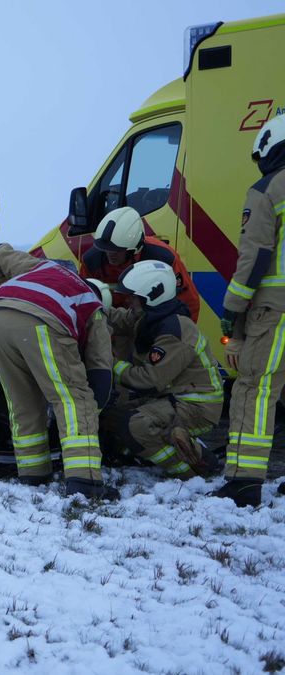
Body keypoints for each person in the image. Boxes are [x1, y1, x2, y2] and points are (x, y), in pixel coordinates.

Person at [0, 243, 115, 498]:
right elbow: (101, 372)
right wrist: (93, 407)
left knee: (22, 401)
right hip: (42, 317)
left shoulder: (45, 267)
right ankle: (85, 482)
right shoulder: (94, 309)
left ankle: (33, 473)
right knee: (73, 398)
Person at [214, 115, 285, 507]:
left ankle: (244, 481)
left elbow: (255, 256)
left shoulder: (267, 189)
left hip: (276, 311)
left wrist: (232, 308)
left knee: (254, 389)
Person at [100, 260, 223, 478]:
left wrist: (108, 362)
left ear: (151, 295)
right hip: (173, 398)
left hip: (197, 406)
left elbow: (148, 379)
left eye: (132, 296)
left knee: (136, 424)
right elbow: (121, 319)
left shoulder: (173, 332)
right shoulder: (149, 316)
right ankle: (145, 450)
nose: (128, 300)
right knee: (110, 416)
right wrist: (94, 309)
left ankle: (194, 467)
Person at [81, 206, 200, 321]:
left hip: (155, 326)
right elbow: (84, 301)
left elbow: (188, 301)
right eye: (106, 249)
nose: (110, 254)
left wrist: (179, 331)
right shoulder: (92, 261)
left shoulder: (163, 258)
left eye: (118, 250)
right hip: (115, 328)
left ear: (135, 248)